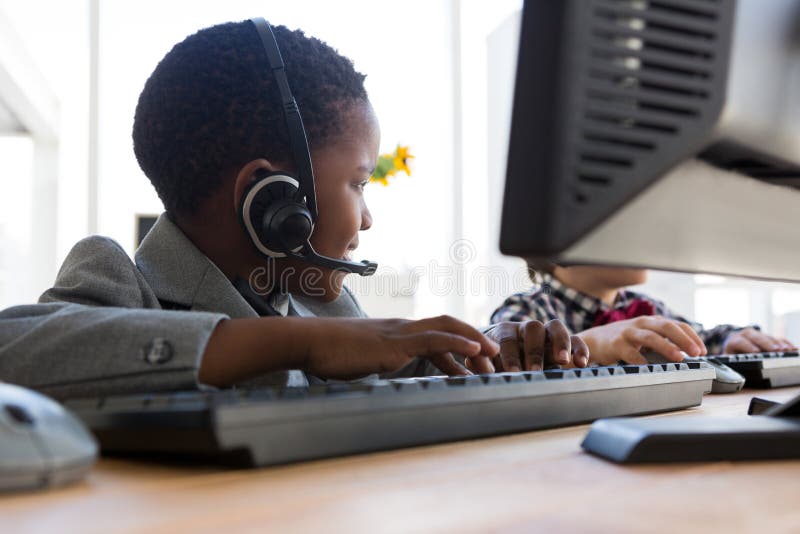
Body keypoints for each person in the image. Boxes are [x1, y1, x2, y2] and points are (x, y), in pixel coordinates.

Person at [0, 19, 588, 400]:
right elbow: (12, 351)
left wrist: (488, 348)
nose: (367, 218)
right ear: (272, 194)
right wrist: (299, 342)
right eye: (358, 184)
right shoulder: (121, 279)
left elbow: (405, 367)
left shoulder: (319, 300)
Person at [490, 263, 795, 366]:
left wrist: (731, 339)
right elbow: (501, 356)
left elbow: (700, 337)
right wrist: (589, 344)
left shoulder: (648, 307)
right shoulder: (526, 309)